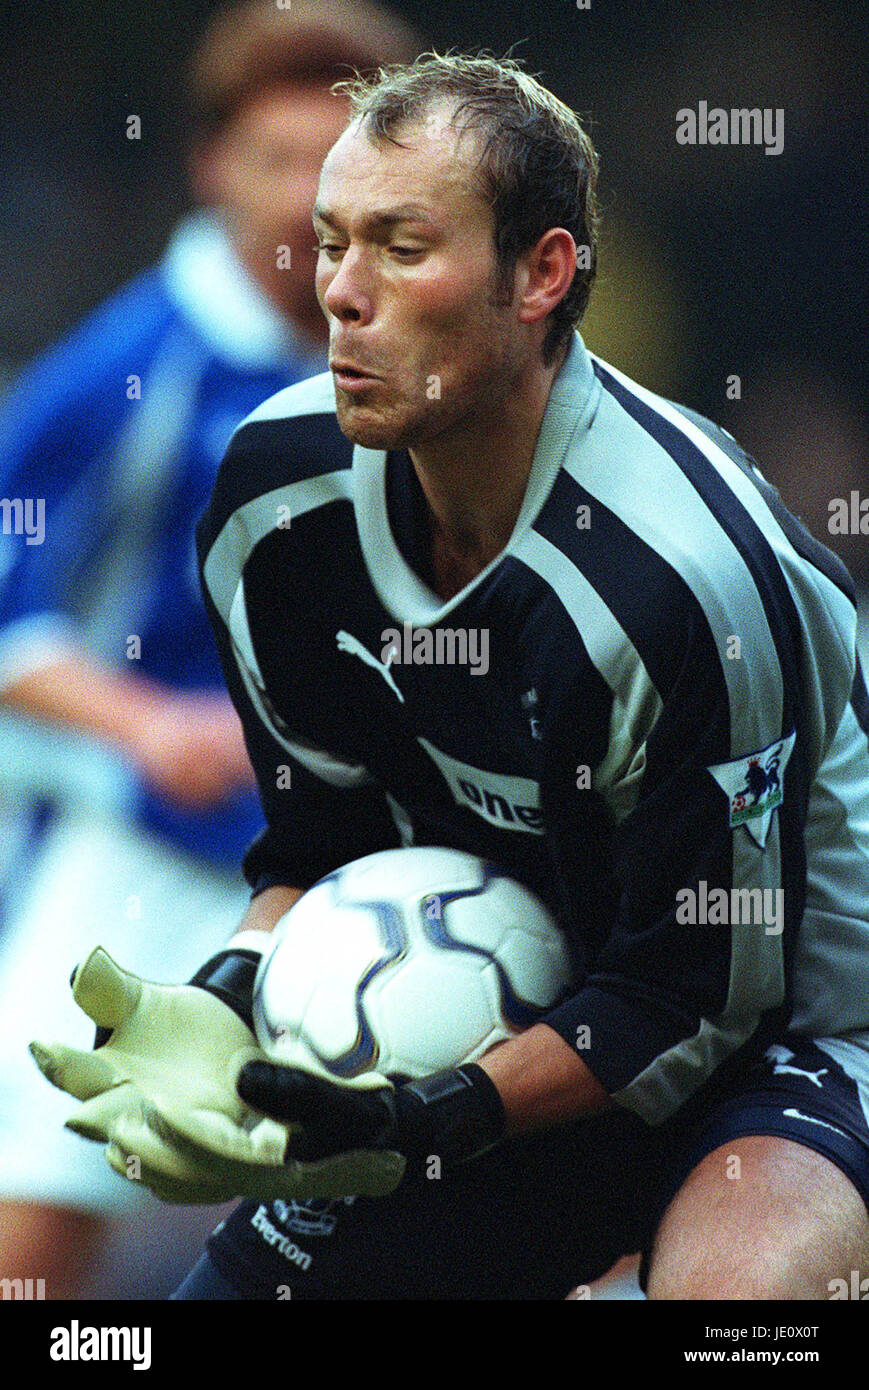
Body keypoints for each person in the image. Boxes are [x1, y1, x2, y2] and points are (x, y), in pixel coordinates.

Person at [33, 52, 869, 1301]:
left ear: (540, 274)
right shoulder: (276, 501)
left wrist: (423, 1122)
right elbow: (319, 840)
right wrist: (230, 988)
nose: (340, 296)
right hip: (501, 1033)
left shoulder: (679, 583)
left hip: (776, 1030)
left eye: (401, 247)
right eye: (328, 243)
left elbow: (687, 992)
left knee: (734, 1311)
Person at [0, 0, 419, 1298]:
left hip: (359, 844)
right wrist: (146, 723)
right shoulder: (134, 367)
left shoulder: (414, 356)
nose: (305, 200)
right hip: (131, 840)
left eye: (335, 164)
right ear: (210, 167)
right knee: (39, 1207)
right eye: (275, 161)